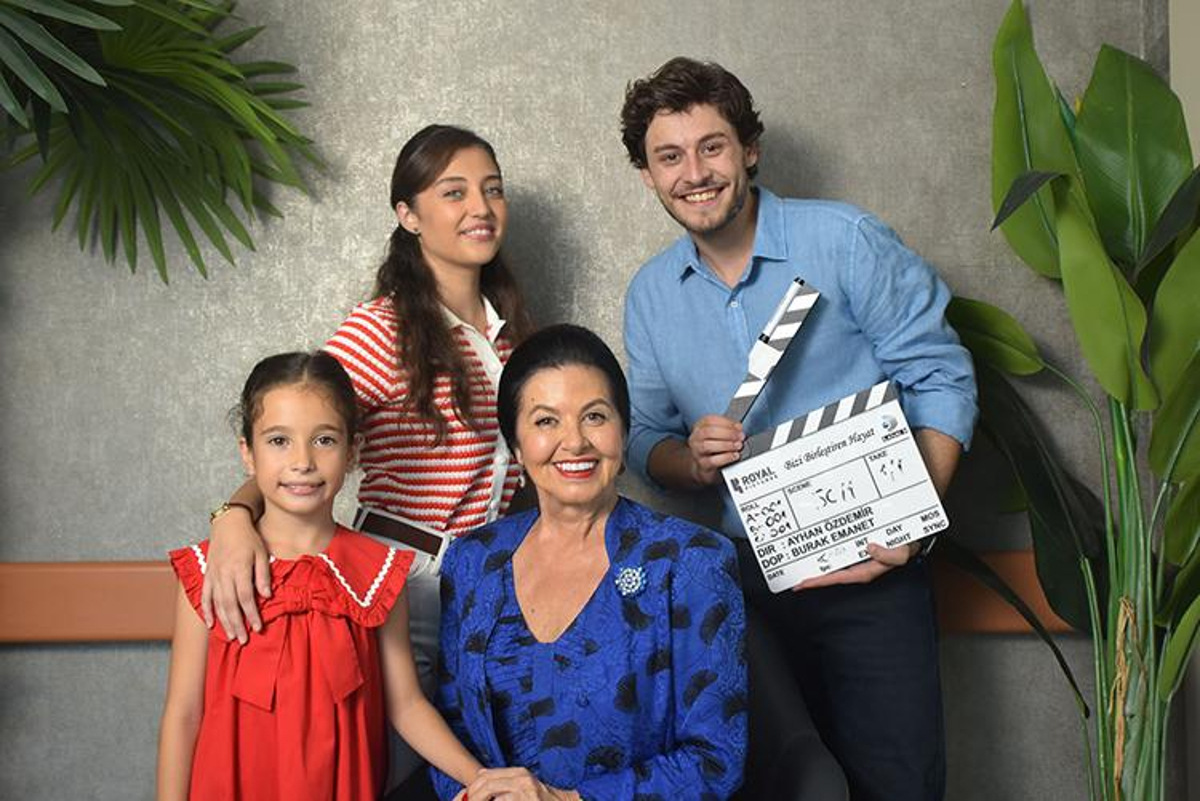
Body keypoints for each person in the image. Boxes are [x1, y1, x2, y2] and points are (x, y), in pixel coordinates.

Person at [620, 57, 977, 801]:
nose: (695, 173)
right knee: (784, 785)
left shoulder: (844, 240)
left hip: (873, 572)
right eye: (669, 157)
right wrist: (692, 461)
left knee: (897, 784)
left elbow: (942, 377)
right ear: (647, 176)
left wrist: (913, 526)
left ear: (749, 149)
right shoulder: (651, 295)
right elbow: (645, 437)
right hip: (748, 590)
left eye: (712, 146)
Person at [201, 125, 534, 789]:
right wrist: (233, 517)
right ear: (408, 215)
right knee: (368, 771)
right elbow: (296, 433)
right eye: (454, 192)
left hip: (489, 588)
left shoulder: (508, 332)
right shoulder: (380, 329)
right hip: (402, 581)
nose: (480, 207)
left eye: (492, 190)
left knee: (476, 770)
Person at [433, 324, 748, 800]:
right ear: (516, 446)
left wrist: (563, 800)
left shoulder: (692, 562)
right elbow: (451, 728)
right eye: (546, 421)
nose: (575, 442)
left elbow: (715, 761)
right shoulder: (472, 561)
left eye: (595, 416)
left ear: (624, 432)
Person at [157, 352, 484, 800]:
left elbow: (406, 705)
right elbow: (183, 714)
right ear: (247, 453)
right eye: (279, 441)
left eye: (324, 440)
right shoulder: (209, 570)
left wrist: (480, 778)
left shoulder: (378, 574)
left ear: (353, 452)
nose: (302, 461)